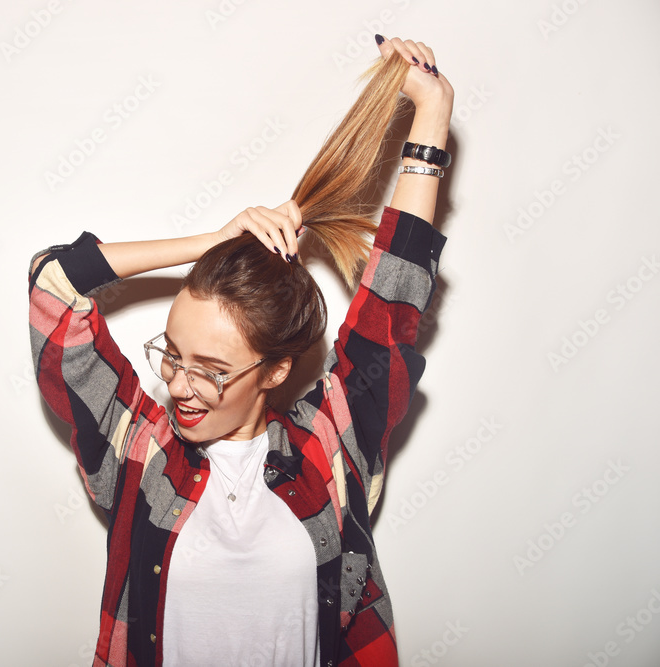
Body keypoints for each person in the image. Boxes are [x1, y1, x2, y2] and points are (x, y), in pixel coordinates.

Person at [29, 35, 452, 667]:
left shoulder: (330, 444)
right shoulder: (140, 451)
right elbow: (56, 284)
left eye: (213, 371)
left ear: (276, 370)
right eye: (172, 355)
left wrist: (431, 119)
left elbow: (390, 309)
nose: (179, 386)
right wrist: (211, 242)